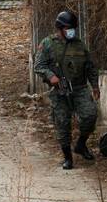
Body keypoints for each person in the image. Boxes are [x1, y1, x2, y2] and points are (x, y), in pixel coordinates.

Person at [32, 9, 100, 170]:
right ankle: (67, 158)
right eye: (68, 28)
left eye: (73, 28)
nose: (71, 31)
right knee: (62, 123)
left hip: (79, 88)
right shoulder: (48, 43)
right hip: (59, 90)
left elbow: (90, 66)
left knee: (90, 115)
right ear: (60, 28)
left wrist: (95, 86)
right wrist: (50, 76)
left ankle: (81, 145)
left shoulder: (79, 45)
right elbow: (38, 66)